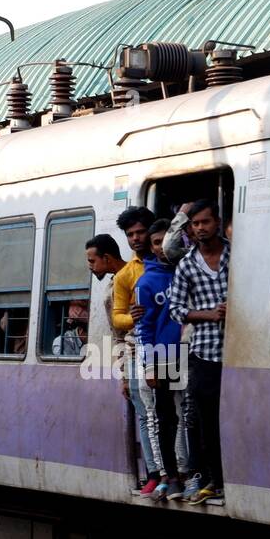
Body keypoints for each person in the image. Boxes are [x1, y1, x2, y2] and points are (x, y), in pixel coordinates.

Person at [167, 199, 229, 505]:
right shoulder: (187, 264)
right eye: (195, 224)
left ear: (217, 222)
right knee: (205, 420)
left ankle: (225, 478)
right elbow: (176, 310)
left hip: (238, 350)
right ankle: (209, 479)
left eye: (205, 222)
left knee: (230, 417)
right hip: (203, 352)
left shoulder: (235, 255)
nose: (201, 228)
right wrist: (209, 315)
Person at [135, 220, 188, 501]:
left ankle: (187, 469)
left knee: (188, 414)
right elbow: (145, 327)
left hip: (190, 352)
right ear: (153, 247)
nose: (163, 249)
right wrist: (150, 364)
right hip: (164, 356)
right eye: (156, 243)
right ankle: (172, 474)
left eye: (166, 241)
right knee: (167, 416)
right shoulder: (147, 282)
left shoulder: (187, 270)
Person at [112, 206, 160, 496]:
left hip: (167, 344)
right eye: (130, 235)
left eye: (141, 232)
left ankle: (176, 471)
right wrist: (134, 316)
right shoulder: (125, 275)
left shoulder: (167, 262)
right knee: (144, 412)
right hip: (136, 344)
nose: (136, 238)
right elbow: (117, 318)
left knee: (170, 411)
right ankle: (153, 472)